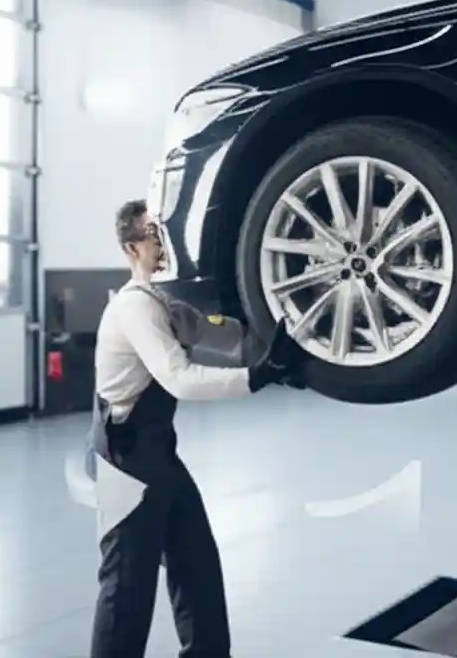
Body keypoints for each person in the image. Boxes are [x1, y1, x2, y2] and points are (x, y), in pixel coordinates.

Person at [89, 199, 304, 658]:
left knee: (198, 571)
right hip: (126, 467)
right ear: (131, 248)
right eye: (152, 235)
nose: (162, 243)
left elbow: (231, 338)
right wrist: (256, 379)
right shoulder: (134, 309)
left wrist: (290, 341)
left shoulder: (170, 305)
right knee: (126, 591)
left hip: (161, 456)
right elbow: (179, 378)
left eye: (164, 231)